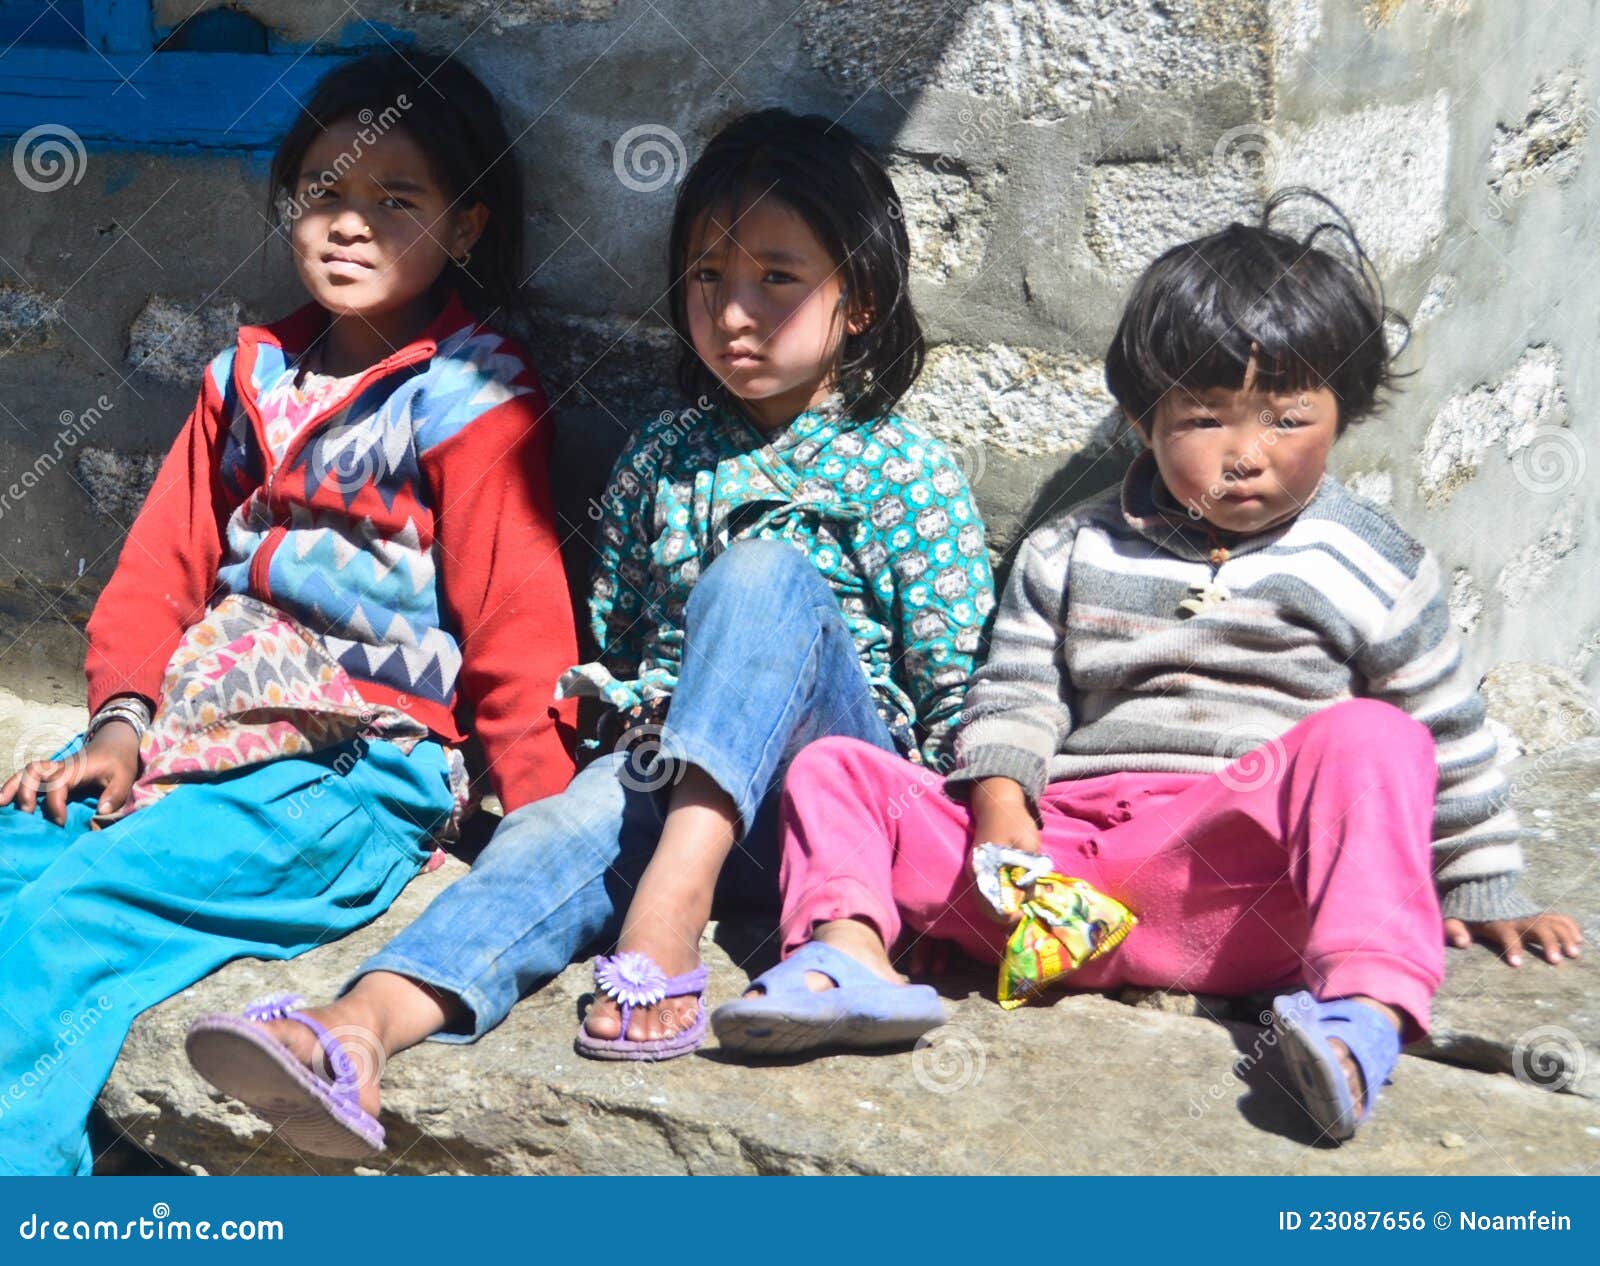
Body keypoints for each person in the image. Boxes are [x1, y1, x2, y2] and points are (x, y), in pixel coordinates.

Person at [185, 109, 994, 1157]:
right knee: (552, 832)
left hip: (836, 803)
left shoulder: (902, 473)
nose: (734, 313)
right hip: (678, 766)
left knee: (761, 575)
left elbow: (953, 690)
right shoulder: (666, 452)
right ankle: (356, 1032)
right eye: (707, 277)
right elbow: (616, 640)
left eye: (778, 279)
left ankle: (668, 906)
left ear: (863, 304)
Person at [713, 191, 1582, 1145]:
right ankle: (849, 965)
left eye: (1289, 418)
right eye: (1205, 418)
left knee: (1375, 736)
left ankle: (1358, 1017)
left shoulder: (1372, 563)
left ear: (1344, 412)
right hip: (1060, 885)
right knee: (838, 767)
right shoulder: (1070, 551)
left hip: (1236, 885)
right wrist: (1006, 828)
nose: (1245, 455)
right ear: (1142, 420)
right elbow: (1013, 698)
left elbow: (1446, 735)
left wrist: (1487, 887)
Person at [0, 50, 578, 1175]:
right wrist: (119, 723)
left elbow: (520, 625)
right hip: (192, 733)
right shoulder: (245, 380)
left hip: (349, 779)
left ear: (465, 229)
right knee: (21, 852)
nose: (350, 225)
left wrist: (536, 835)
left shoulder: (471, 400)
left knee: (70, 929)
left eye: (395, 201)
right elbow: (158, 576)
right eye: (324, 194)